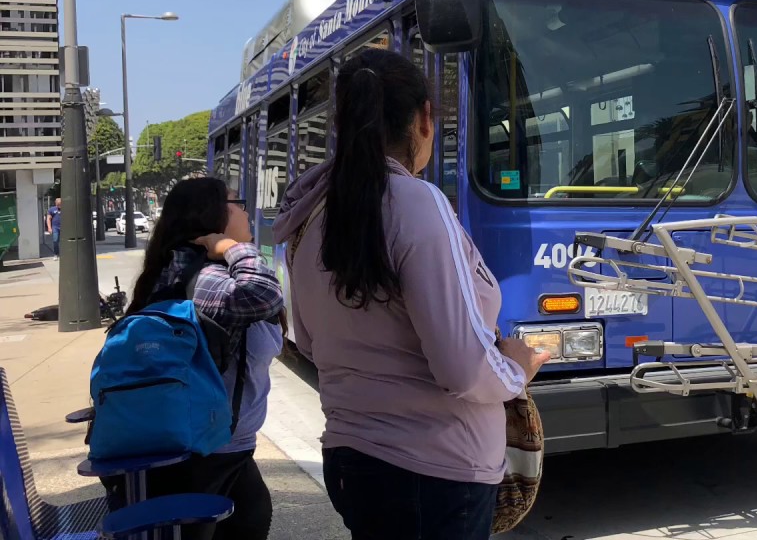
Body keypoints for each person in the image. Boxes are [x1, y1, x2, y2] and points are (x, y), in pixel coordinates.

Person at [275, 48, 550, 540]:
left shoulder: (311, 214)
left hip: (351, 461)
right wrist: (516, 367)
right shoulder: (418, 203)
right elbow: (463, 369)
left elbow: (310, 345)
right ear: (424, 119)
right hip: (435, 473)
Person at [103, 177, 284, 540]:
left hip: (214, 444)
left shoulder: (177, 269)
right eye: (239, 203)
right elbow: (263, 295)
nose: (247, 212)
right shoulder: (207, 276)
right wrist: (233, 247)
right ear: (214, 215)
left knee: (250, 515)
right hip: (207, 449)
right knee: (241, 522)